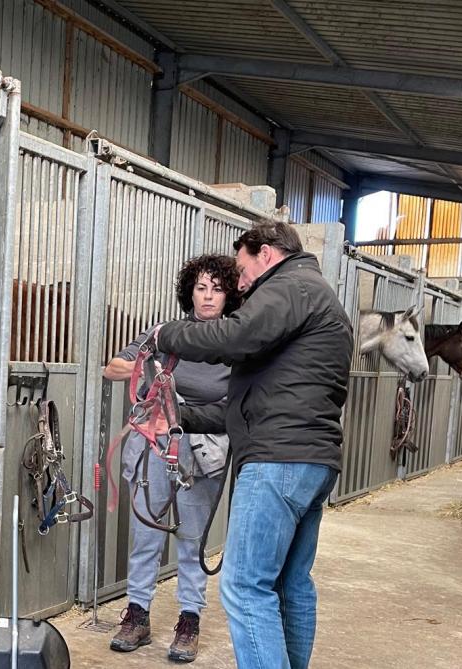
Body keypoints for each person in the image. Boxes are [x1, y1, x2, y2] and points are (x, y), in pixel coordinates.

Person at [148, 220, 354, 669]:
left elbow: (233, 335)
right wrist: (179, 419)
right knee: (290, 583)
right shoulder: (316, 298)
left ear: (266, 254)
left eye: (241, 271)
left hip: (278, 460)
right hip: (310, 460)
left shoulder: (290, 288)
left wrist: (165, 335)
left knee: (243, 586)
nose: (239, 285)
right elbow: (253, 402)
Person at [106, 254, 242, 663]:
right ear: (189, 291)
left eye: (217, 289)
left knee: (191, 538)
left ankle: (189, 620)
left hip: (203, 447)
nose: (208, 296)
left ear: (230, 295)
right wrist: (142, 366)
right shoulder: (167, 333)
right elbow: (112, 368)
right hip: (155, 442)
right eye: (201, 288)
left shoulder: (236, 342)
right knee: (145, 532)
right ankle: (138, 613)